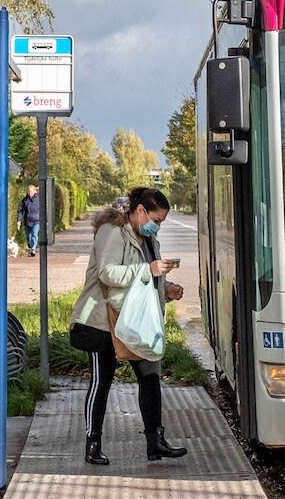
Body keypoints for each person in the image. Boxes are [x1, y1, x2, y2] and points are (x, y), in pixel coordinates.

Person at [68, 187, 188, 466]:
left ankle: (155, 442)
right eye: (155, 220)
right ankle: (92, 443)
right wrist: (149, 270)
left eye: (160, 223)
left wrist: (166, 289)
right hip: (102, 320)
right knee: (102, 381)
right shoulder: (112, 230)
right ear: (140, 211)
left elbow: (146, 280)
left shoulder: (149, 239)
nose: (156, 226)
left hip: (133, 321)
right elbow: (107, 273)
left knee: (150, 375)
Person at [16, 183, 41, 256]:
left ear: (35, 192)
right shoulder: (25, 200)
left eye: (31, 191)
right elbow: (20, 210)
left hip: (36, 221)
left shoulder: (38, 200)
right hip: (27, 221)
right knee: (29, 236)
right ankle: (30, 248)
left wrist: (45, 220)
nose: (30, 193)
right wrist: (19, 220)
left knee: (34, 234)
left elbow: (43, 209)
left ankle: (33, 249)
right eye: (29, 191)